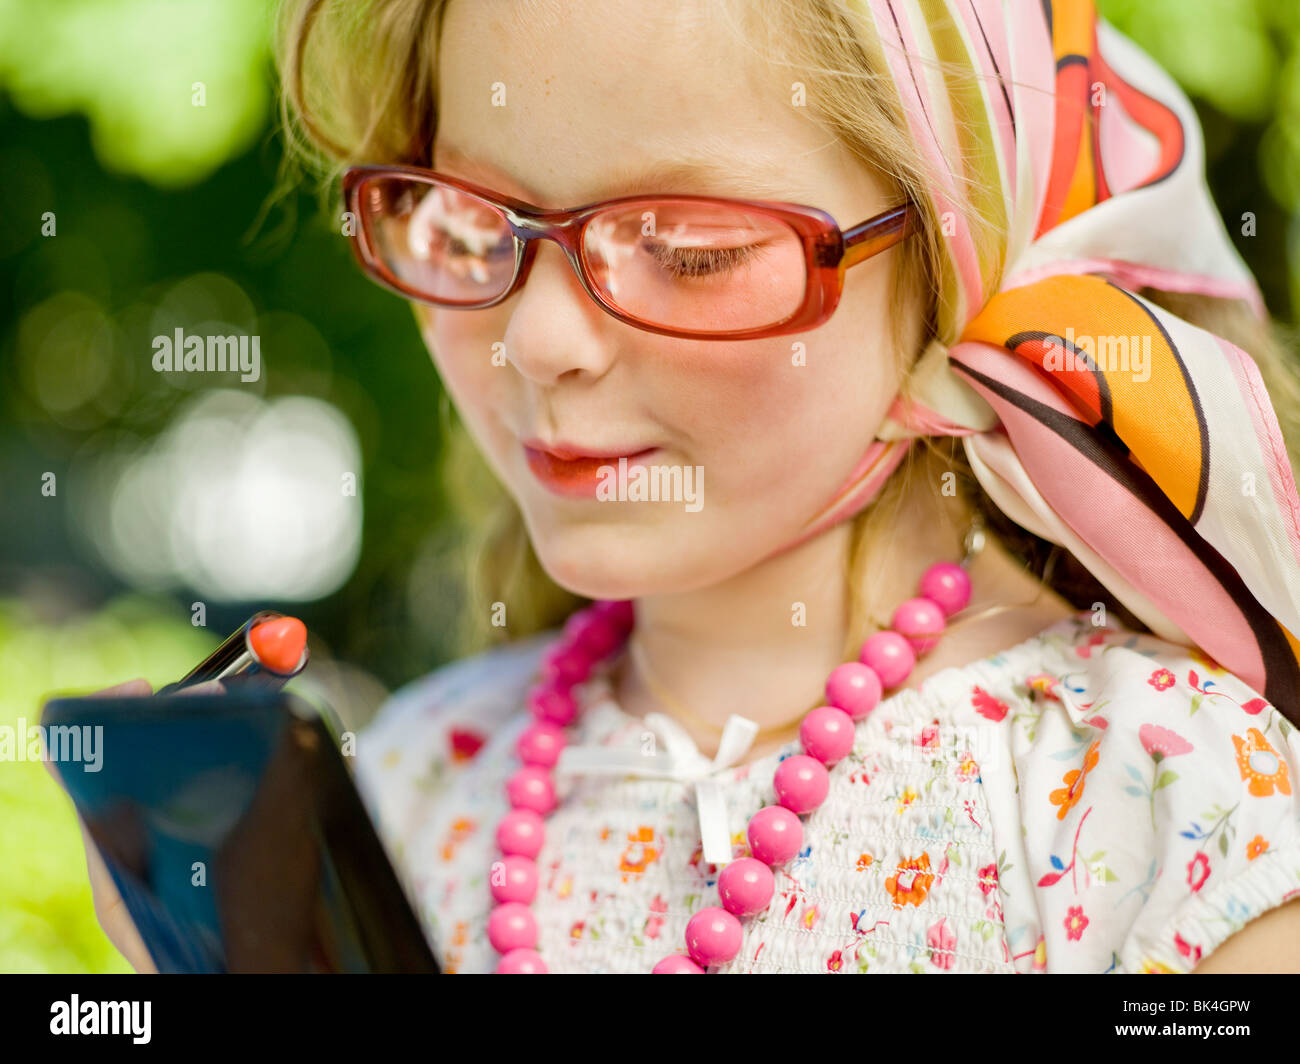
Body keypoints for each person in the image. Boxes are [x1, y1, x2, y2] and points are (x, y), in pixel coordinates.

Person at [74, 0, 1300, 973]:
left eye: (687, 248)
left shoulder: (1162, 800)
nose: (540, 338)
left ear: (949, 256)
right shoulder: (417, 784)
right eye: (465, 221)